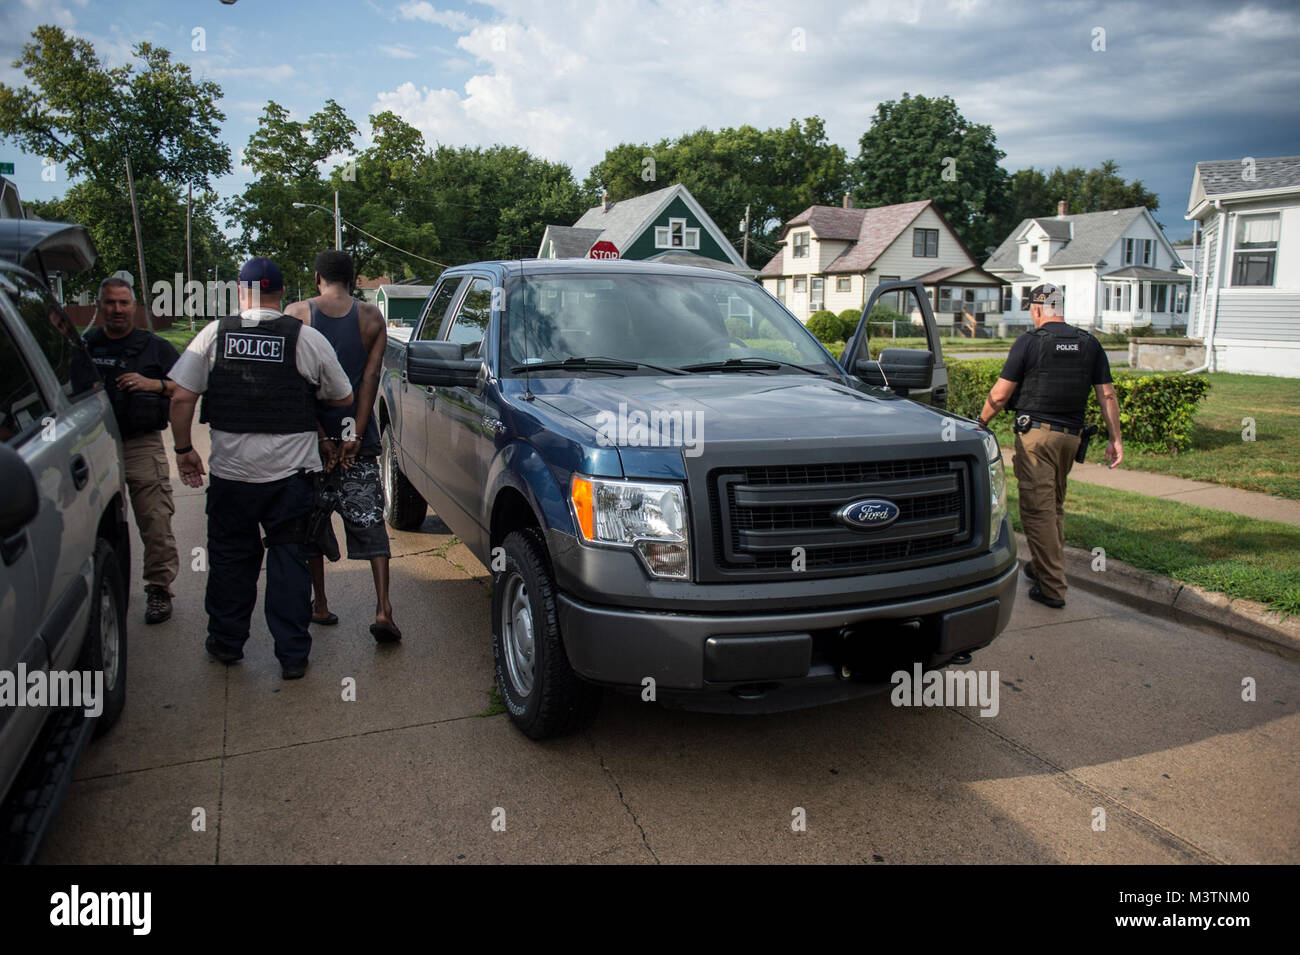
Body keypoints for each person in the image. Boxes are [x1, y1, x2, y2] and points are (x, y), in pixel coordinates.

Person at [167, 258, 353, 679]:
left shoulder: (215, 333)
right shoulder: (307, 338)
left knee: (231, 561)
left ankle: (227, 644)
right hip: (291, 479)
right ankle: (292, 657)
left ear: (240, 290)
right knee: (289, 563)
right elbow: (342, 396)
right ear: (282, 295)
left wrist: (183, 449)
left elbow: (180, 397)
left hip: (232, 477)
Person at [976, 283, 1123, 609]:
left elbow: (1000, 395)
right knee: (1054, 506)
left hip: (1037, 439)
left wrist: (980, 422)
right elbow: (1107, 395)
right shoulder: (1089, 343)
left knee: (1037, 510)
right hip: (1071, 439)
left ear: (1037, 309)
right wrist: (1116, 439)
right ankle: (1044, 565)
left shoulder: (1029, 343)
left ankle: (1053, 588)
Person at [285, 250, 400, 642]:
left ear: (318, 277)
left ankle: (320, 604)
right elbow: (369, 381)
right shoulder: (371, 318)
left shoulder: (297, 315)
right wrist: (353, 434)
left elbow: (295, 384)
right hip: (360, 444)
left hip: (310, 444)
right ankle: (383, 608)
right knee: (370, 522)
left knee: (312, 524)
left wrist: (321, 435)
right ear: (353, 279)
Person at [83, 276, 181, 624]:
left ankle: (158, 589)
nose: (117, 310)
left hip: (139, 444)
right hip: (93, 448)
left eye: (124, 303)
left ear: (134, 306)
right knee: (90, 526)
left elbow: (188, 387)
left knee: (155, 519)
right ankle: (100, 590)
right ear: (99, 306)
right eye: (109, 303)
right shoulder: (85, 346)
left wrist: (151, 384)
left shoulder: (154, 347)